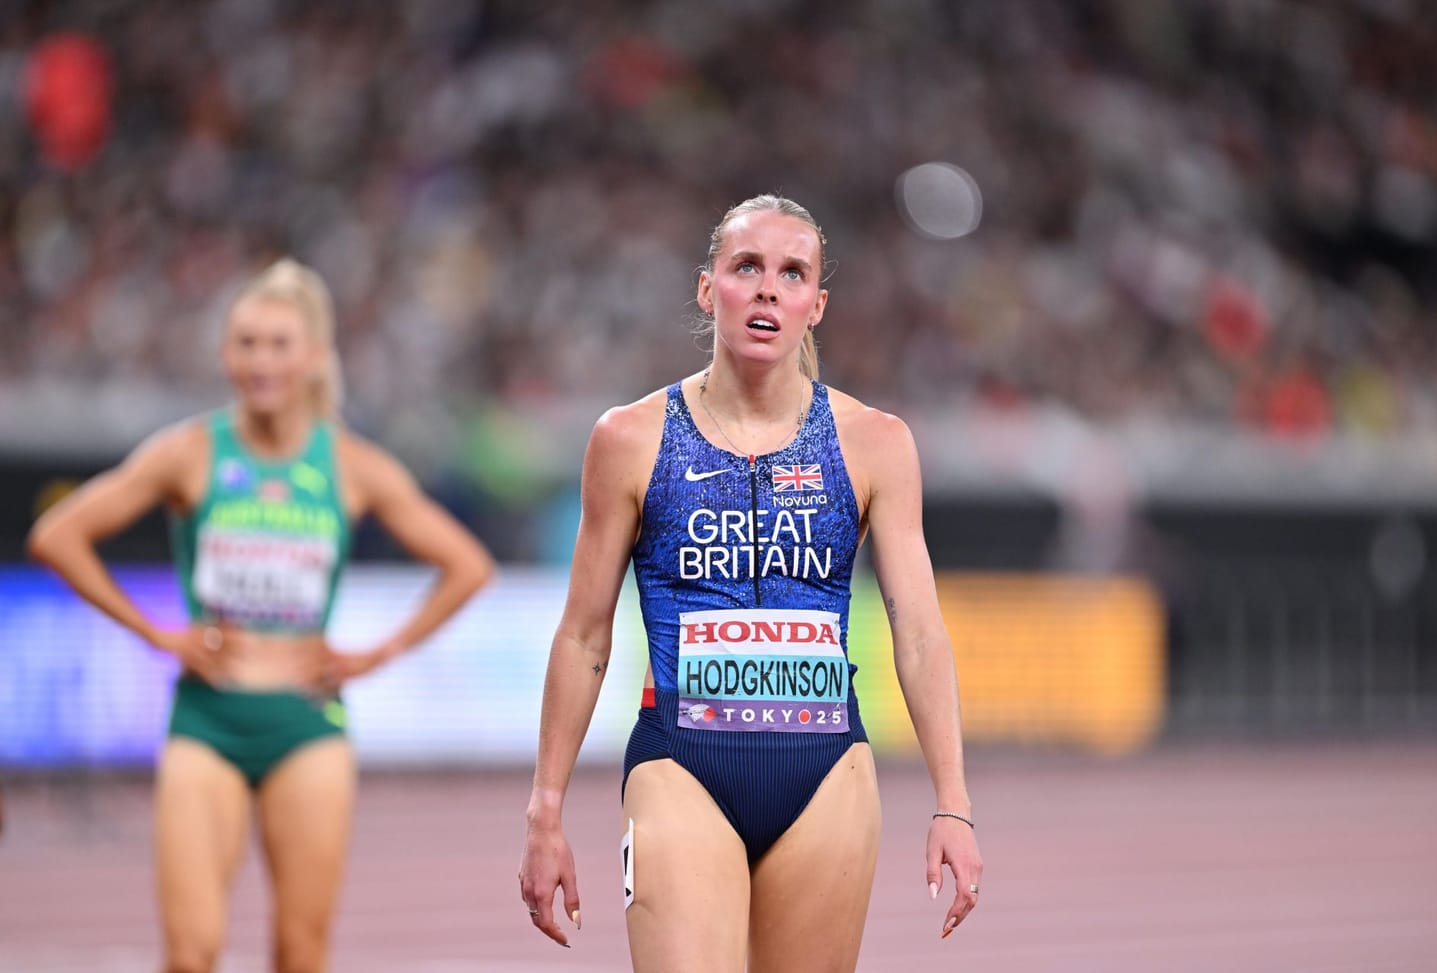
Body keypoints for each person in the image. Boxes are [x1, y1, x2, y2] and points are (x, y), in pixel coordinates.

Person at [518, 195, 983, 970]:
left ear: (816, 305)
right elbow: (583, 633)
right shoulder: (630, 438)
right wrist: (546, 809)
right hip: (681, 764)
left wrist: (954, 803)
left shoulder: (875, 443)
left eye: (792, 273)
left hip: (826, 771)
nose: (769, 289)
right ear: (709, 290)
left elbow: (921, 632)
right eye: (747, 267)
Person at [28, 258, 494, 973]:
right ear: (224, 353)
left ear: (313, 357)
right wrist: (154, 632)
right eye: (245, 342)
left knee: (300, 954)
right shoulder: (189, 452)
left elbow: (467, 564)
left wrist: (380, 651)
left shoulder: (350, 465)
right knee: (191, 952)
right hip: (206, 721)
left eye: (278, 343)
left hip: (306, 724)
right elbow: (57, 536)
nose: (260, 360)